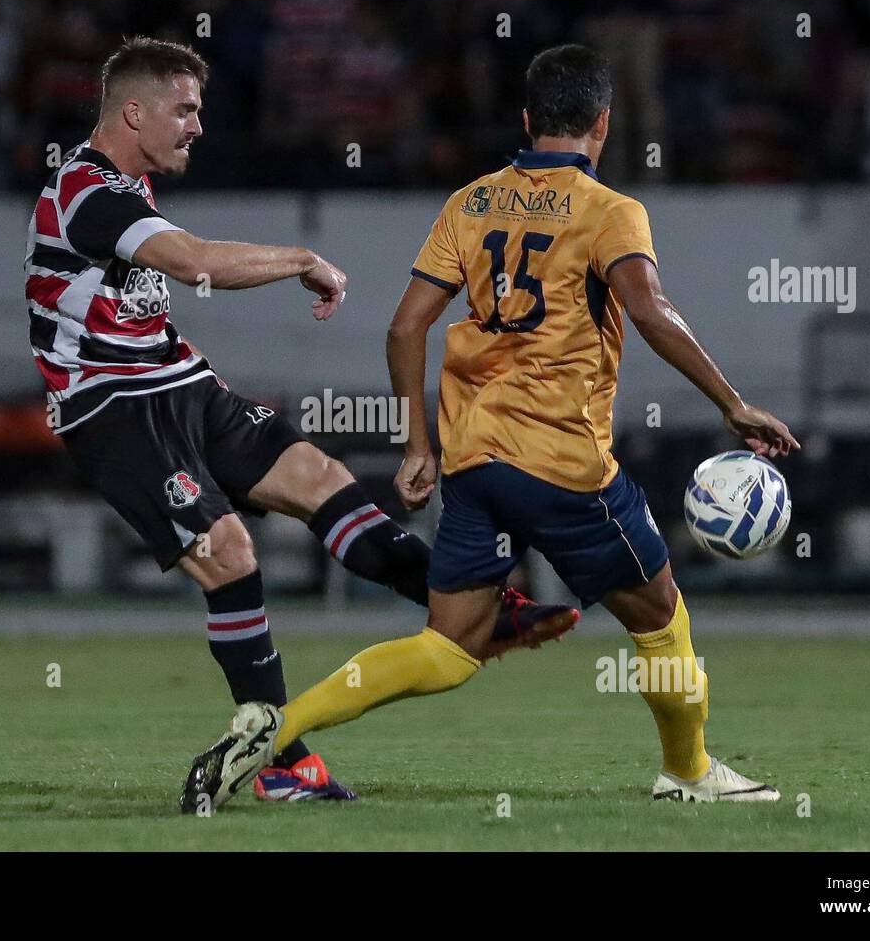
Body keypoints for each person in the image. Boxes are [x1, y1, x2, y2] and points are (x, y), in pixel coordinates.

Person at [185, 44, 801, 811]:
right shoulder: (612, 211)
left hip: (472, 458)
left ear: (526, 121)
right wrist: (731, 402)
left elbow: (406, 327)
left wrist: (417, 444)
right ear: (603, 124)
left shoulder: (471, 202)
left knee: (449, 646)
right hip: (564, 461)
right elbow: (649, 310)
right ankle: (688, 771)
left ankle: (275, 729)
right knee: (662, 618)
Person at [26, 38, 576, 803]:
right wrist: (300, 259)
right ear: (134, 110)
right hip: (111, 405)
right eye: (184, 111)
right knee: (229, 551)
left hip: (175, 379)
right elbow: (195, 263)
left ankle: (482, 609)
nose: (197, 127)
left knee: (322, 477)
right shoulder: (86, 191)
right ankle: (283, 760)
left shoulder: (124, 187)